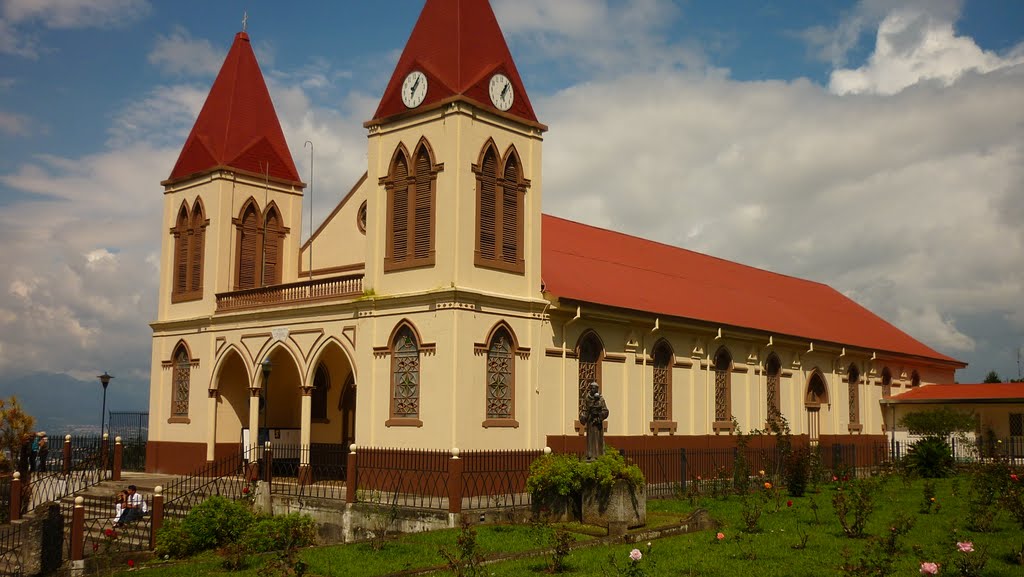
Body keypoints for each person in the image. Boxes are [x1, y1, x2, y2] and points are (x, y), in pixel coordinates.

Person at [579, 381, 609, 461]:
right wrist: (583, 416)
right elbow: (585, 409)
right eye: (591, 388)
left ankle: (598, 455)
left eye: (594, 388)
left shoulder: (601, 399)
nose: (592, 390)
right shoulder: (587, 398)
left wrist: (599, 416)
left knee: (598, 439)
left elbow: (605, 411)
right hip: (590, 421)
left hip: (598, 423)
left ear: (597, 389)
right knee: (590, 438)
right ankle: (590, 454)